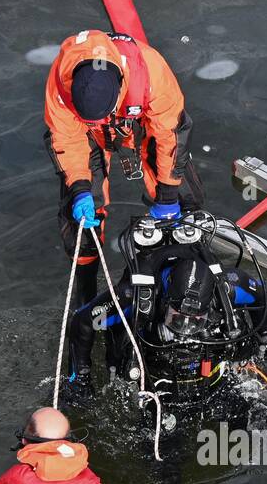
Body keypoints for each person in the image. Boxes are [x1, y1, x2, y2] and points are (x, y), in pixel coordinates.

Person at [64, 218, 267, 406]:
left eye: (195, 321)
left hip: (208, 369)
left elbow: (261, 297)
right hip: (156, 375)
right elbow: (83, 320)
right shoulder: (133, 296)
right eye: (178, 319)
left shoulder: (229, 286)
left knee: (251, 411)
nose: (185, 329)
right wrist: (81, 379)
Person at [43, 29, 205, 307]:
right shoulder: (61, 82)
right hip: (88, 136)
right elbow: (67, 139)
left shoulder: (152, 73)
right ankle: (85, 298)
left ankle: (187, 284)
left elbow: (170, 136)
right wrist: (81, 188)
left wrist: (167, 196)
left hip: (141, 125)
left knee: (184, 203)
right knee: (80, 221)